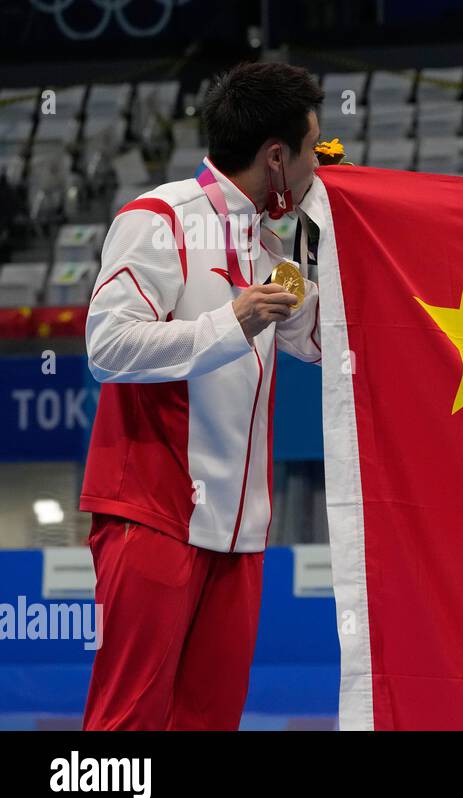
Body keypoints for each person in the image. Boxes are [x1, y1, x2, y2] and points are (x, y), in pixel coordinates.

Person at [80, 61, 325, 730]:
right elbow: (106, 347)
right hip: (154, 513)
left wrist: (327, 250)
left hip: (239, 534)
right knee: (125, 729)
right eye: (312, 153)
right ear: (276, 158)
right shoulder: (157, 219)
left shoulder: (273, 245)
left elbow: (320, 345)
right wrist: (231, 322)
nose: (318, 168)